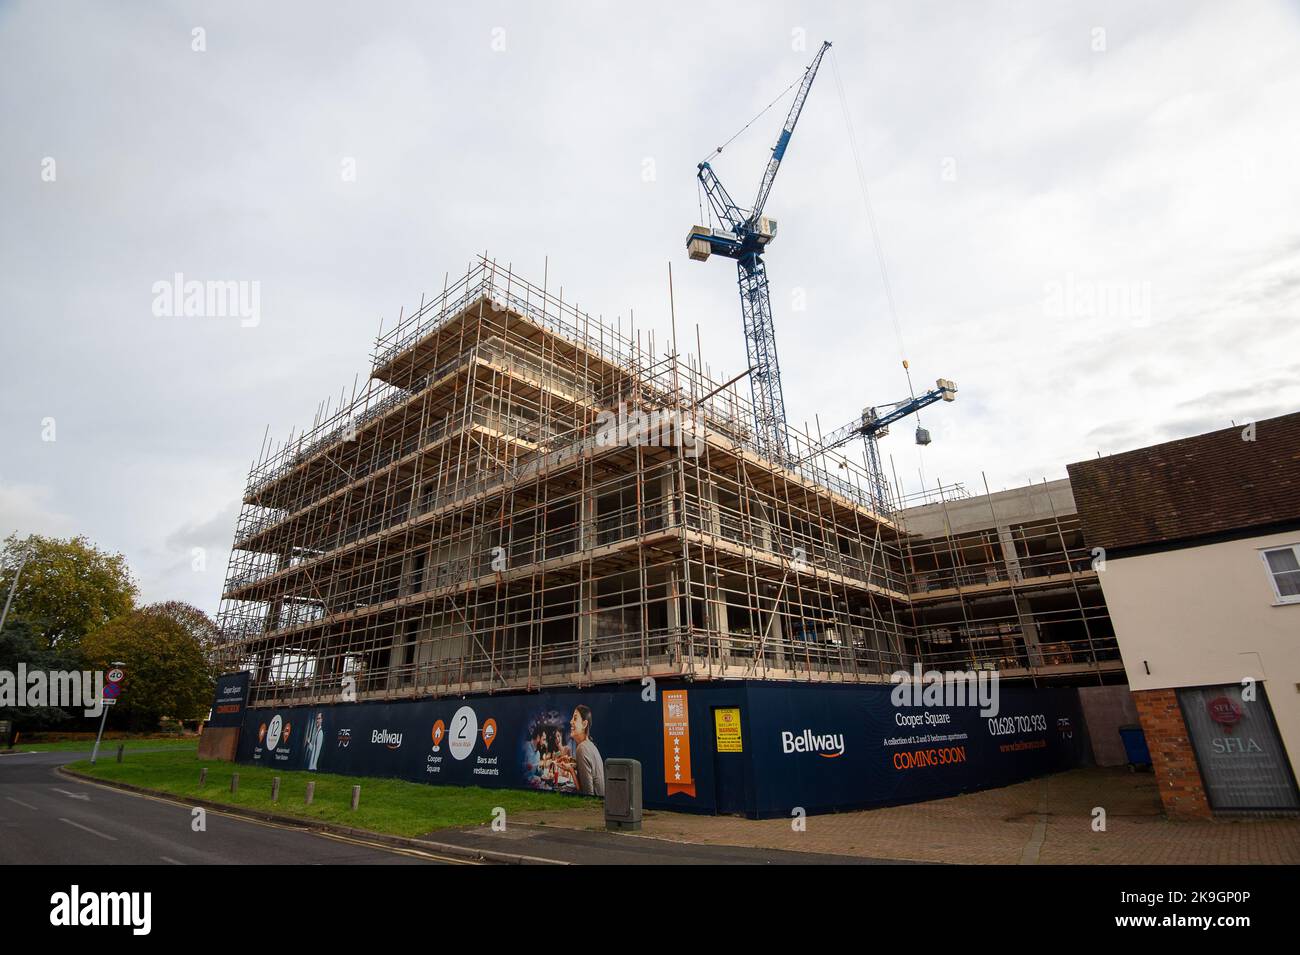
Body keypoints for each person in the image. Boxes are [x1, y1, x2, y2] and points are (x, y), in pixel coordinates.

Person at [569, 705, 604, 797]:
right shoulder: (589, 745)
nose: (571, 721)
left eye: (575, 718)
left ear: (584, 724)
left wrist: (571, 770)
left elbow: (588, 795)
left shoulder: (582, 748)